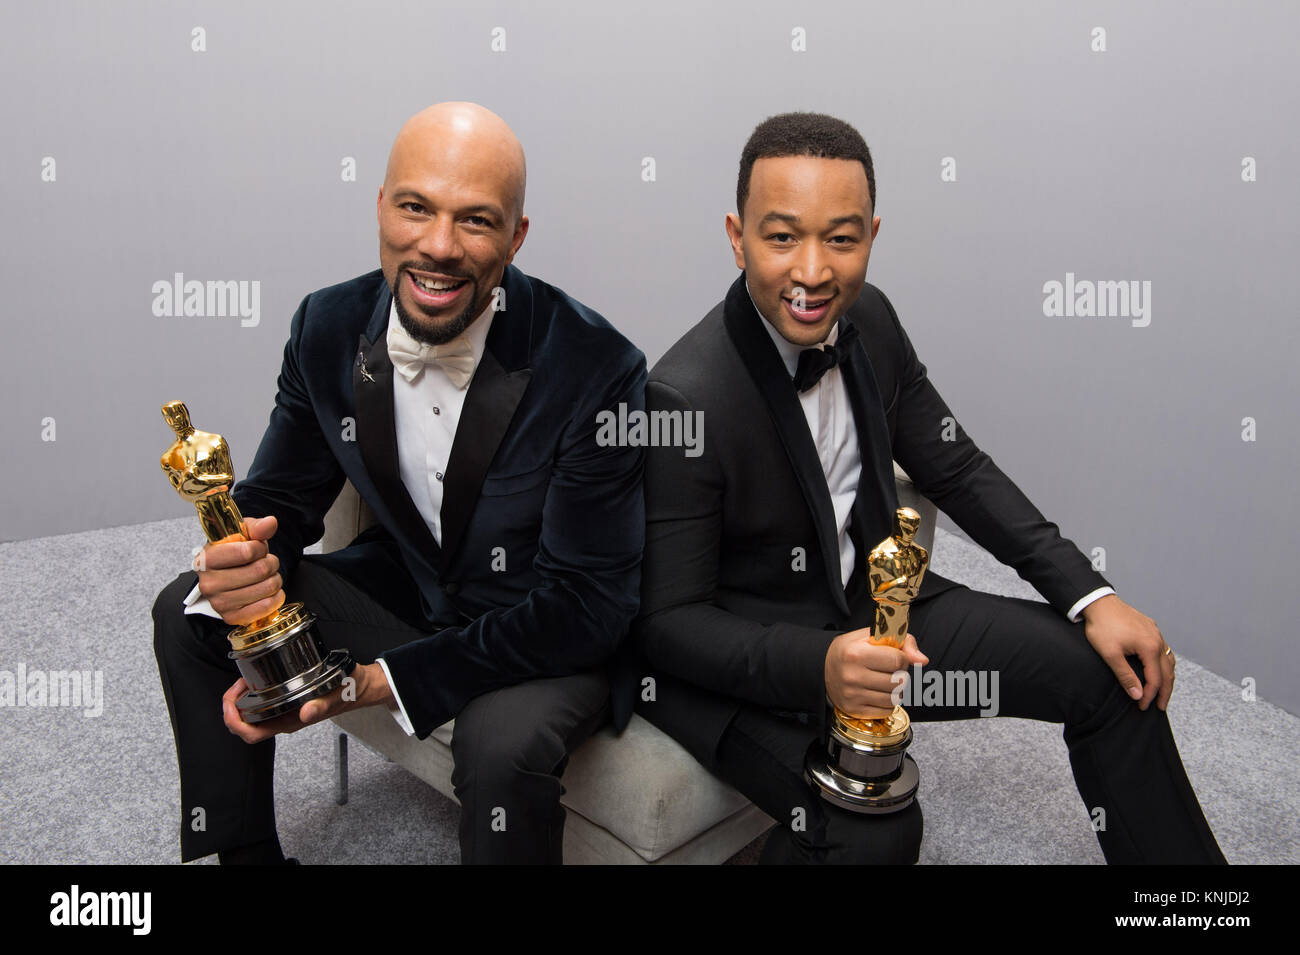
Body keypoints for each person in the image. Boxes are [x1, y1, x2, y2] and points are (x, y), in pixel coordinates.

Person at [632, 111, 1226, 864]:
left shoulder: (870, 320)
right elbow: (669, 624)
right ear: (736, 234)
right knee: (875, 836)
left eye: (841, 239)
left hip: (886, 612)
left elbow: (958, 468)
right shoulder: (685, 398)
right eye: (782, 237)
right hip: (756, 662)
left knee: (1113, 676)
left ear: (872, 236)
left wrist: (1090, 595)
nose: (813, 271)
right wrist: (820, 664)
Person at [152, 102, 647, 865]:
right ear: (382, 207)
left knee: (499, 746)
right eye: (416, 208)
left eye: (476, 221)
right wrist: (242, 555)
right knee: (187, 611)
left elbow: (589, 605)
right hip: (412, 591)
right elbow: (280, 500)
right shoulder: (325, 325)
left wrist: (384, 680)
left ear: (516, 238)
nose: (438, 247)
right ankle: (244, 853)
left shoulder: (597, 365)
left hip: (540, 630)